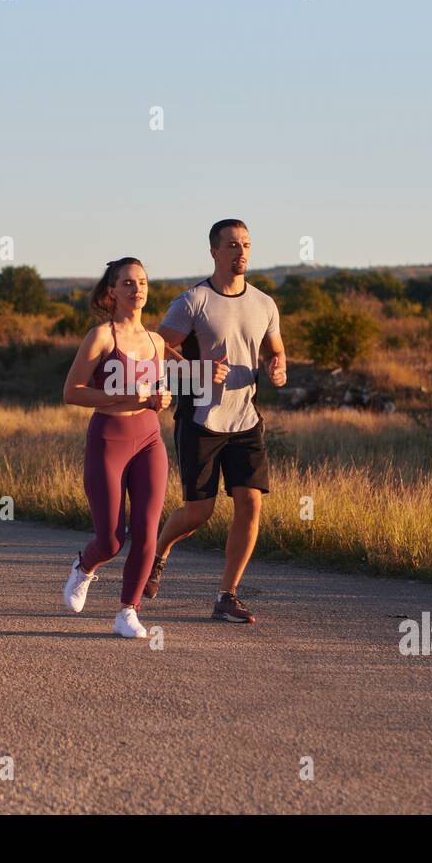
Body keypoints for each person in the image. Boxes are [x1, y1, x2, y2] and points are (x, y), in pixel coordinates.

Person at [145, 219, 286, 624]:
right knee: (197, 513)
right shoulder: (193, 301)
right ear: (214, 252)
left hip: (246, 420)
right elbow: (157, 348)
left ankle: (227, 595)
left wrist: (278, 367)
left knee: (250, 502)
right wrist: (198, 369)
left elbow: (276, 351)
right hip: (202, 421)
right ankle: (158, 553)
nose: (241, 252)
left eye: (246, 244)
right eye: (232, 245)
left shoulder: (264, 304)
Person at [61, 258, 172, 638]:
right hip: (109, 438)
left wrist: (162, 397)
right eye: (127, 283)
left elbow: (159, 390)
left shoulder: (157, 341)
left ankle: (128, 611)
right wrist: (124, 393)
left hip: (149, 440)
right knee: (110, 538)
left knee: (147, 532)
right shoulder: (101, 337)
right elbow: (71, 392)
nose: (136, 289)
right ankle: (84, 567)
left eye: (141, 282)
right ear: (112, 291)